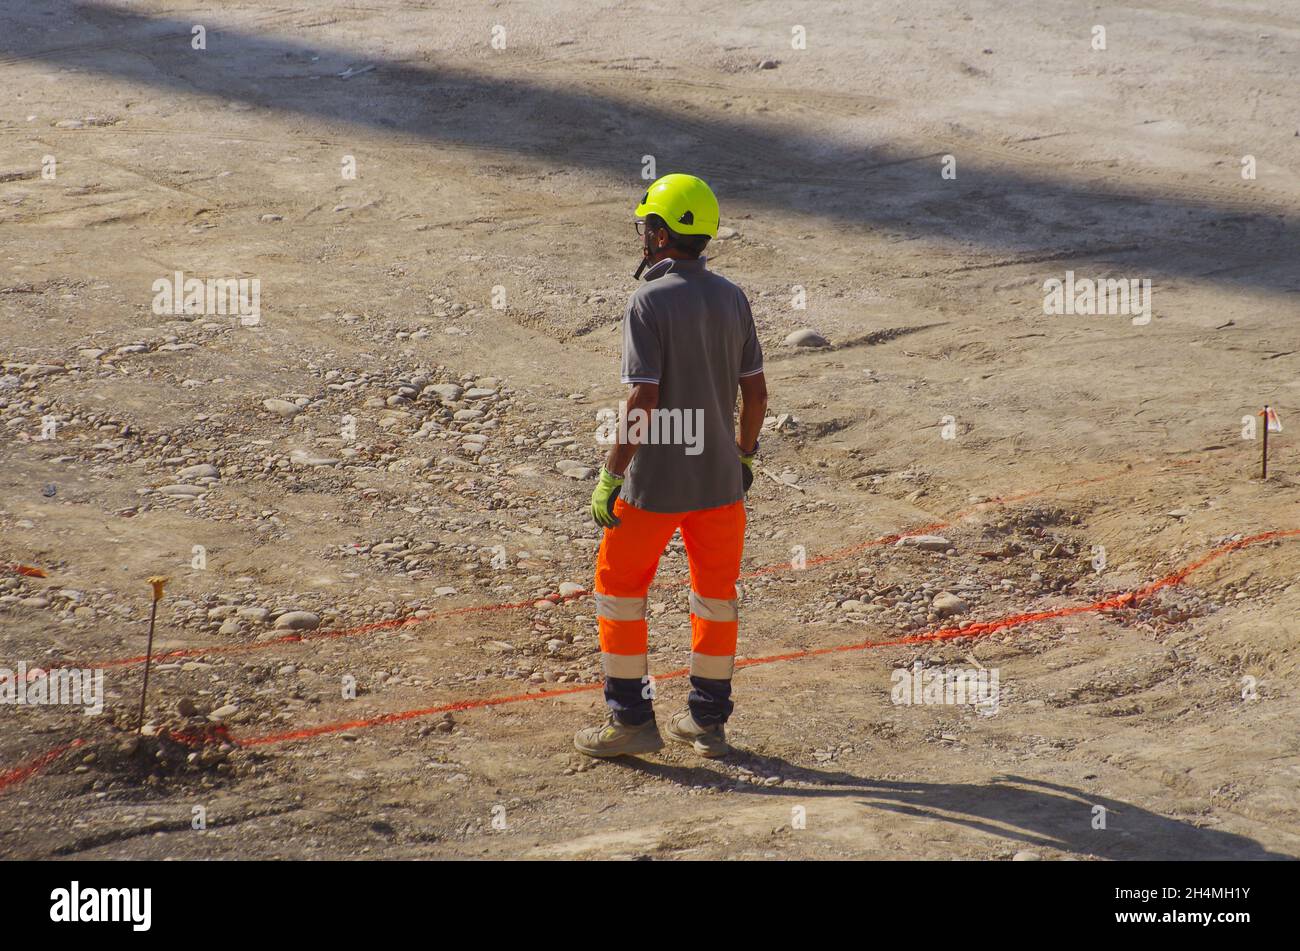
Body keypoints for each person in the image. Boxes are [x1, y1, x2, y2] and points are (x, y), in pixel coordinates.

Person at [574, 173, 767, 759]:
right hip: (719, 485)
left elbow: (643, 401)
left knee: (620, 591)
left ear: (661, 235)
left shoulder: (648, 300)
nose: (642, 236)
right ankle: (707, 724)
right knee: (715, 595)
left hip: (654, 485)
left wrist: (611, 474)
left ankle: (630, 720)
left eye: (646, 226)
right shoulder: (732, 296)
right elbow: (756, 394)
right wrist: (744, 456)